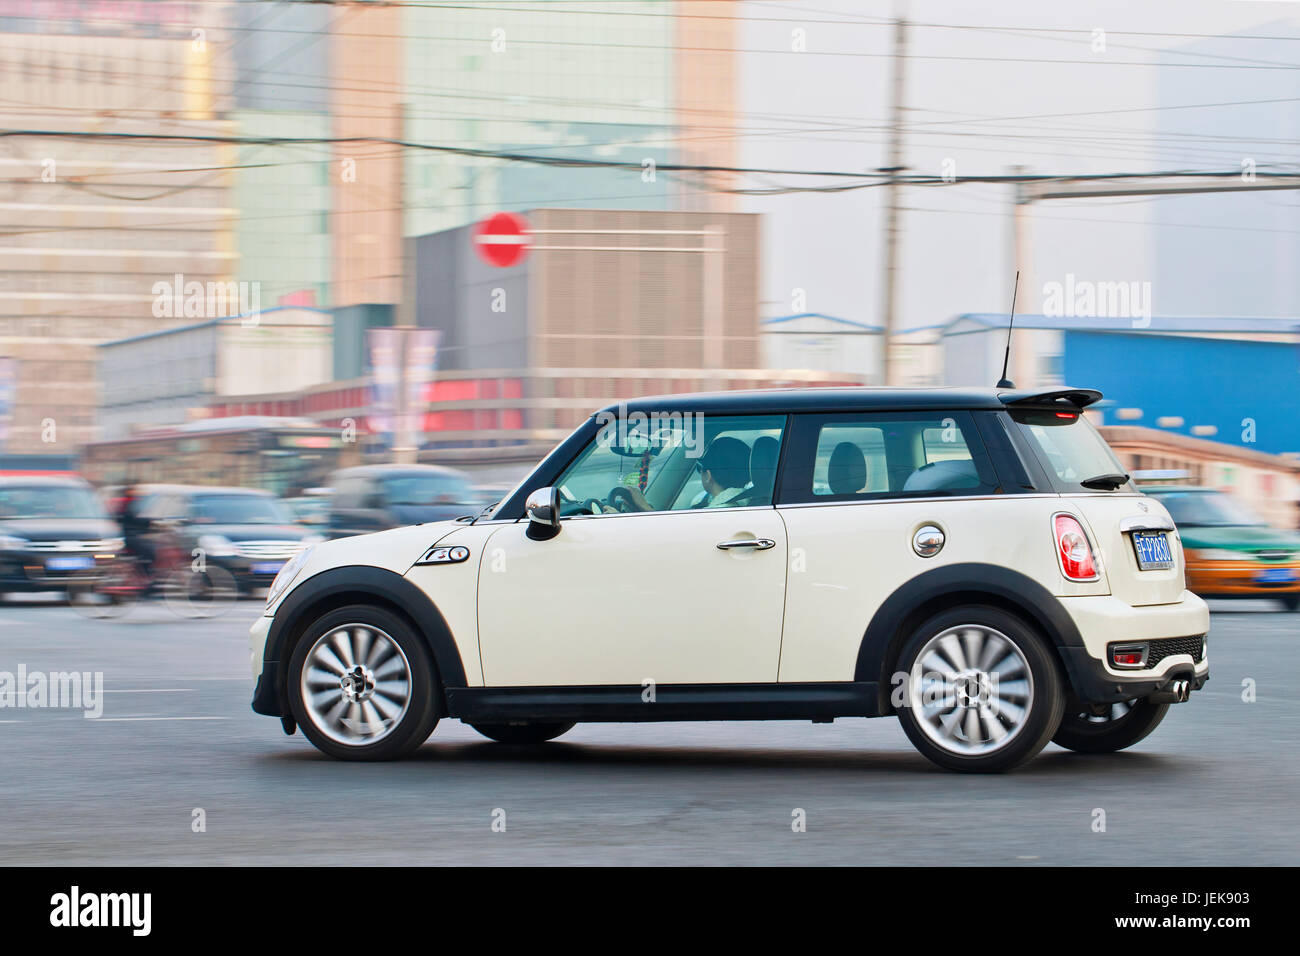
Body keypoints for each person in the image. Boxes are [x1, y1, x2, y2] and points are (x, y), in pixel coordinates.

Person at [690, 436, 752, 508]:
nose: (700, 472)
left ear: (708, 475)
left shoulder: (708, 515)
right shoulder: (754, 503)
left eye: (699, 468)